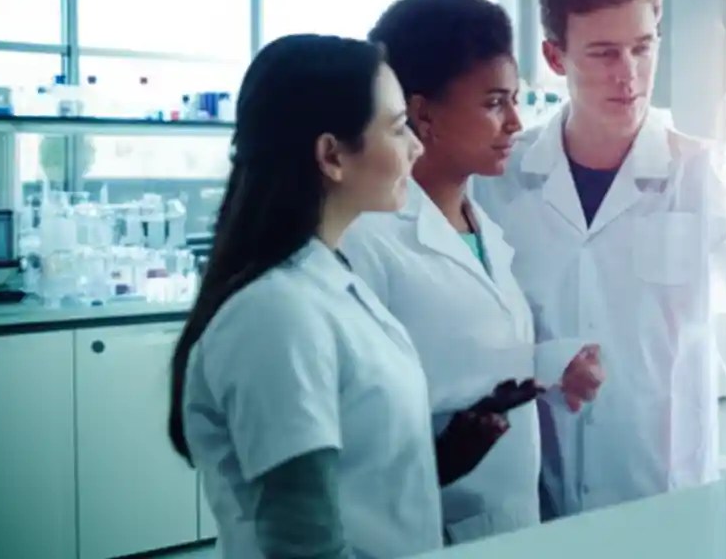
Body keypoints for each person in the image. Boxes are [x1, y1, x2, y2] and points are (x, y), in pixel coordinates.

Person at [167, 34, 538, 559]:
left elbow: (352, 478)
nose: (415, 145)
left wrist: (441, 459)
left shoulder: (328, 281)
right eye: (396, 127)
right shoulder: (275, 315)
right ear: (332, 155)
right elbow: (302, 543)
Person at [475, 0, 726, 518]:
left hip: (667, 495)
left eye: (642, 48)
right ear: (555, 56)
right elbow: (471, 334)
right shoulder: (500, 184)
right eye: (602, 53)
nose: (628, 75)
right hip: (539, 499)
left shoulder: (699, 173)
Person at [340, 0, 605, 543]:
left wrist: (551, 364)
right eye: (493, 103)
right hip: (419, 526)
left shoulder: (480, 220)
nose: (515, 121)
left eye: (515, 100)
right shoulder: (366, 240)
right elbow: (359, 414)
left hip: (506, 517)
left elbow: (462, 349)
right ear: (423, 114)